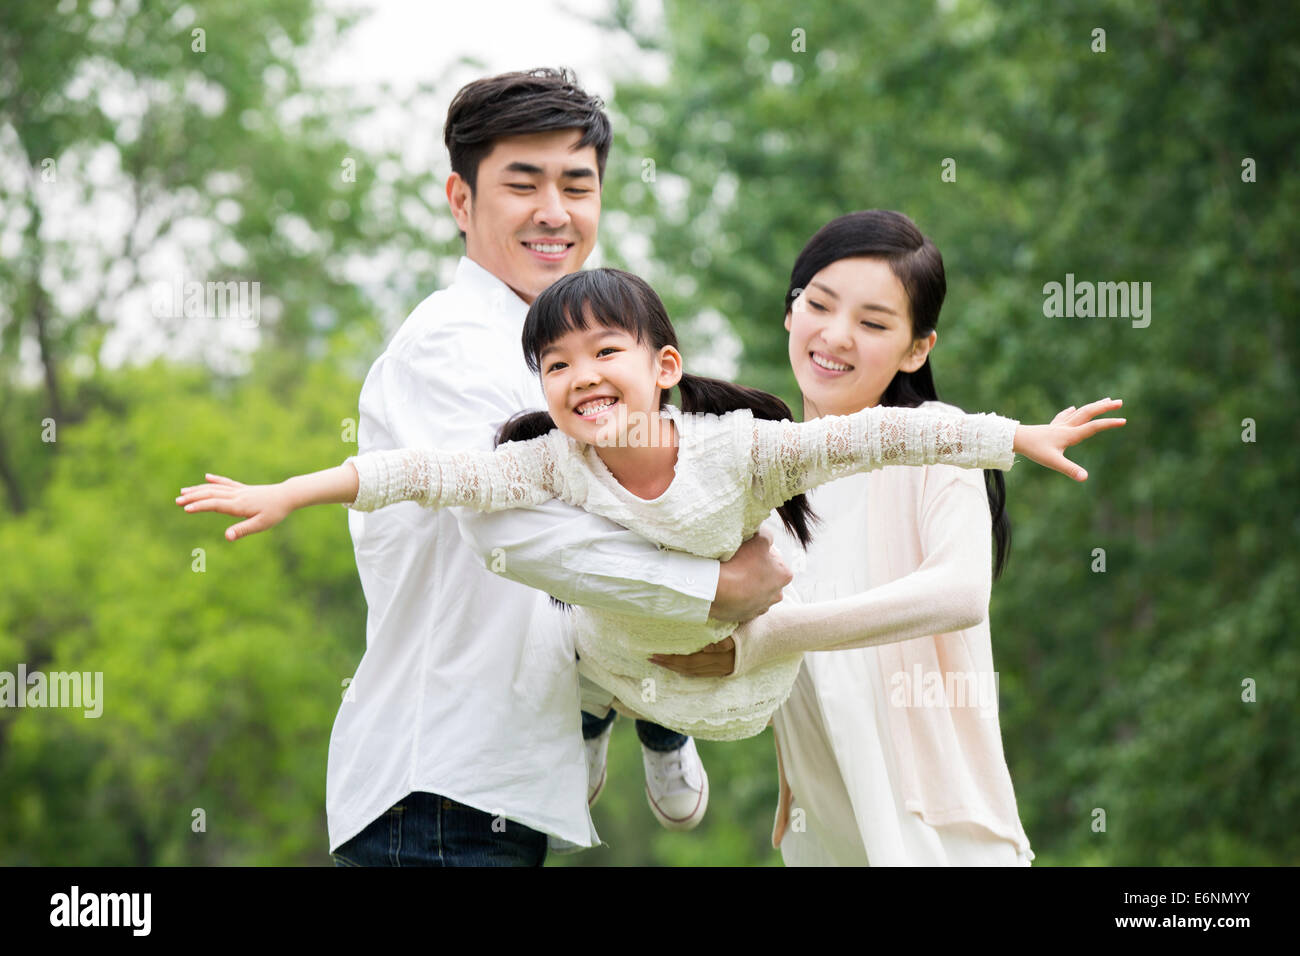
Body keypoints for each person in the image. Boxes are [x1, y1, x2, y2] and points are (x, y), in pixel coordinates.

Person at [177, 68, 799, 865]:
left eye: (578, 185)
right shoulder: (453, 344)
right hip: (439, 793)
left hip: (486, 791)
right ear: (461, 201)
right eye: (523, 183)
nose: (555, 212)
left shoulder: (561, 360)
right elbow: (513, 536)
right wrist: (715, 592)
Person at [177, 265, 1124, 748]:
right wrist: (292, 490)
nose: (580, 378)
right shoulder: (549, 466)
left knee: (702, 596)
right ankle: (604, 720)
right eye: (555, 365)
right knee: (567, 618)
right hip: (627, 656)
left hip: (740, 681)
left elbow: (884, 435)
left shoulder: (745, 454)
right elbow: (423, 473)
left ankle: (668, 735)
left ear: (662, 369)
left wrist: (1016, 438)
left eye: (604, 355)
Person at [660, 210, 1106, 864]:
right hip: (823, 845)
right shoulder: (765, 474)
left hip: (942, 843)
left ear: (917, 348)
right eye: (818, 304)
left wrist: (773, 636)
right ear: (790, 311)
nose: (836, 336)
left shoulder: (935, 440)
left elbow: (960, 594)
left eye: (872, 323)